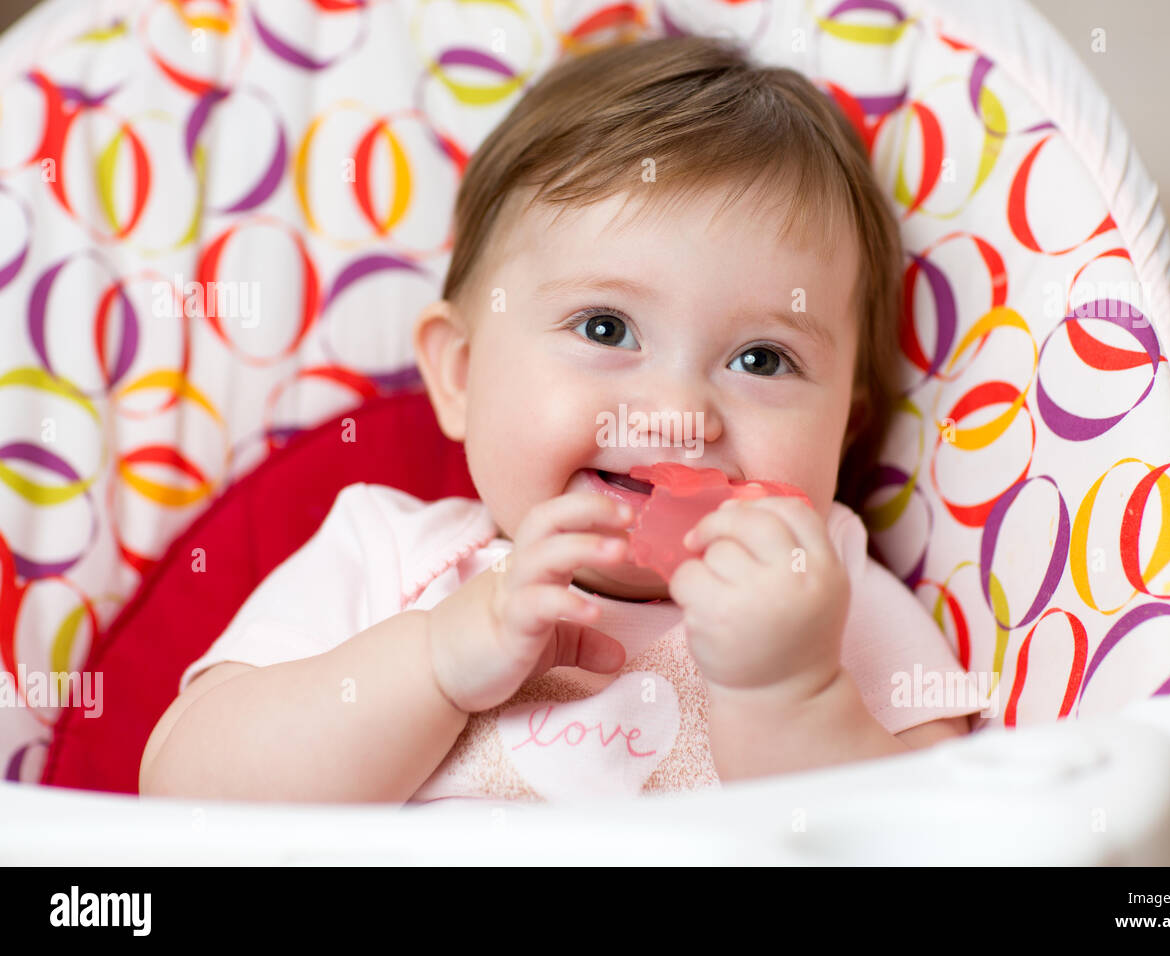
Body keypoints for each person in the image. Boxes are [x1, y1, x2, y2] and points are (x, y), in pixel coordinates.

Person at [139, 34, 984, 805]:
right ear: (463, 374)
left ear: (843, 432)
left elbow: (941, 835)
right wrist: (434, 663)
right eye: (606, 328)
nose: (678, 417)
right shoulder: (390, 556)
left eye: (763, 359)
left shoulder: (819, 589)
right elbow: (185, 791)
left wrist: (792, 696)